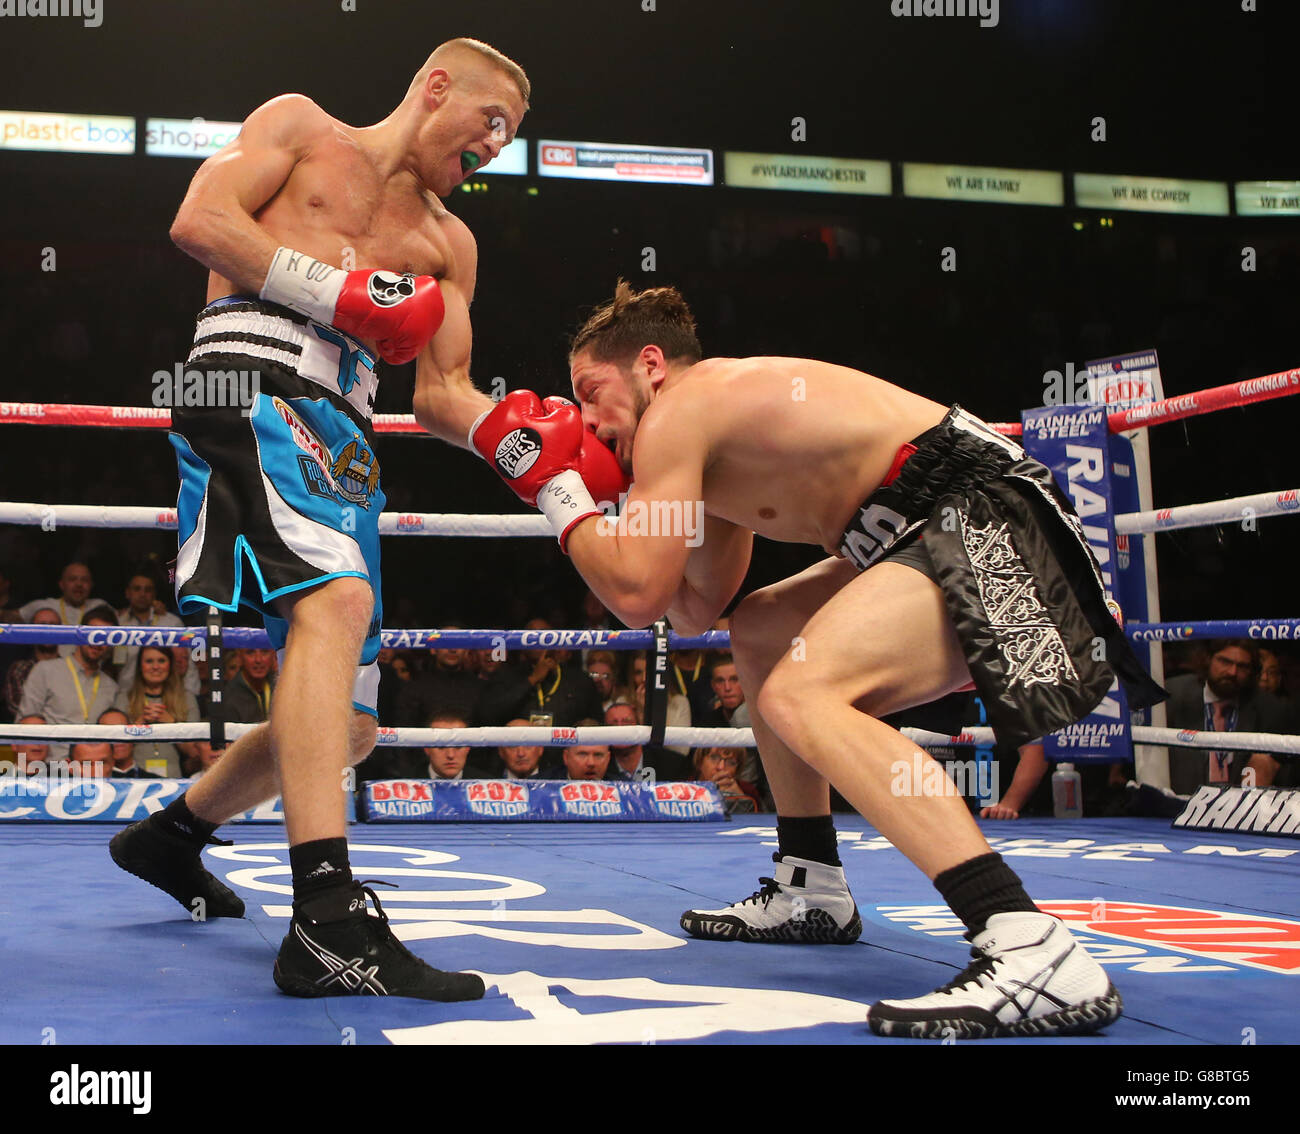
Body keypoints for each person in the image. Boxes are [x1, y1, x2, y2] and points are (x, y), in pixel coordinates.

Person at [443, 280, 1165, 1037]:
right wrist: (619, 502)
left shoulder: (685, 409)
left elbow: (630, 593)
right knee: (761, 629)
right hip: (925, 530)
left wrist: (557, 488)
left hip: (985, 518)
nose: (586, 419)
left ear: (650, 364)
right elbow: (685, 610)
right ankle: (811, 884)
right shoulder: (702, 453)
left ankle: (1028, 945)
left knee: (803, 692)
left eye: (590, 392)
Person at [109, 36, 529, 1003]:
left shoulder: (449, 245)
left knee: (350, 725)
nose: (495, 149)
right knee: (331, 606)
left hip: (346, 433)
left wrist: (536, 458)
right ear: (435, 88)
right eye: (490, 123)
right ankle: (330, 924)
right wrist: (331, 289)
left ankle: (170, 837)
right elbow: (200, 218)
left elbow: (445, 394)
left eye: (509, 138)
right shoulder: (300, 128)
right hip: (247, 379)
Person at [1163, 639, 1293, 793]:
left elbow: (1278, 769)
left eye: (1242, 667)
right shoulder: (1172, 695)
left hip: (1237, 809)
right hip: (1179, 803)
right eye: (1225, 662)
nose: (1232, 672)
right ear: (1208, 659)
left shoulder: (1268, 707)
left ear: (1252, 671)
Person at [19, 606, 120, 762]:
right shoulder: (45, 670)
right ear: (79, 633)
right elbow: (26, 721)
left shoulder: (111, 686)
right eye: (92, 633)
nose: (97, 641)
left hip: (92, 770)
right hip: (51, 769)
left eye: (105, 636)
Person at [111, 646, 201, 777]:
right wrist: (140, 723)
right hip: (134, 777)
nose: (155, 667)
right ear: (140, 667)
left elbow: (194, 751)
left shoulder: (187, 698)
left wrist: (171, 724)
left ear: (170, 665)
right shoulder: (124, 699)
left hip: (173, 777)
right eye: (149, 661)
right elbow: (116, 748)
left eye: (161, 661)